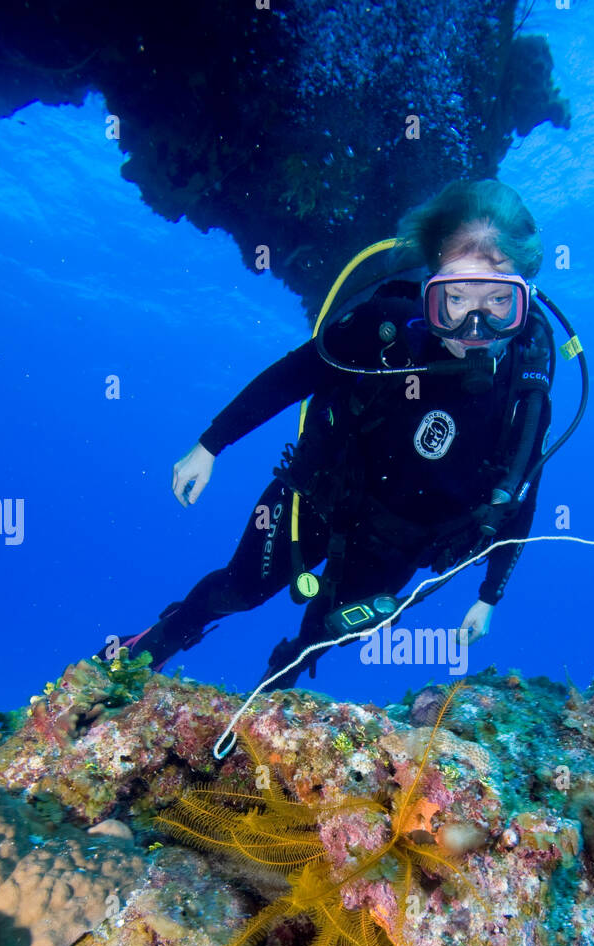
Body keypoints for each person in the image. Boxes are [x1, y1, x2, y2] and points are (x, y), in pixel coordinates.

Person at [99, 179, 555, 686]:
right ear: (430, 288)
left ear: (525, 299)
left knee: (322, 635)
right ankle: (156, 642)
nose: (475, 326)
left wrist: (489, 596)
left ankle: (271, 706)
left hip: (402, 544)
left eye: (498, 302)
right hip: (317, 497)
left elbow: (521, 490)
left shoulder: (527, 382)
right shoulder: (383, 330)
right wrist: (211, 444)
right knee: (239, 589)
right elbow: (295, 373)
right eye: (455, 300)